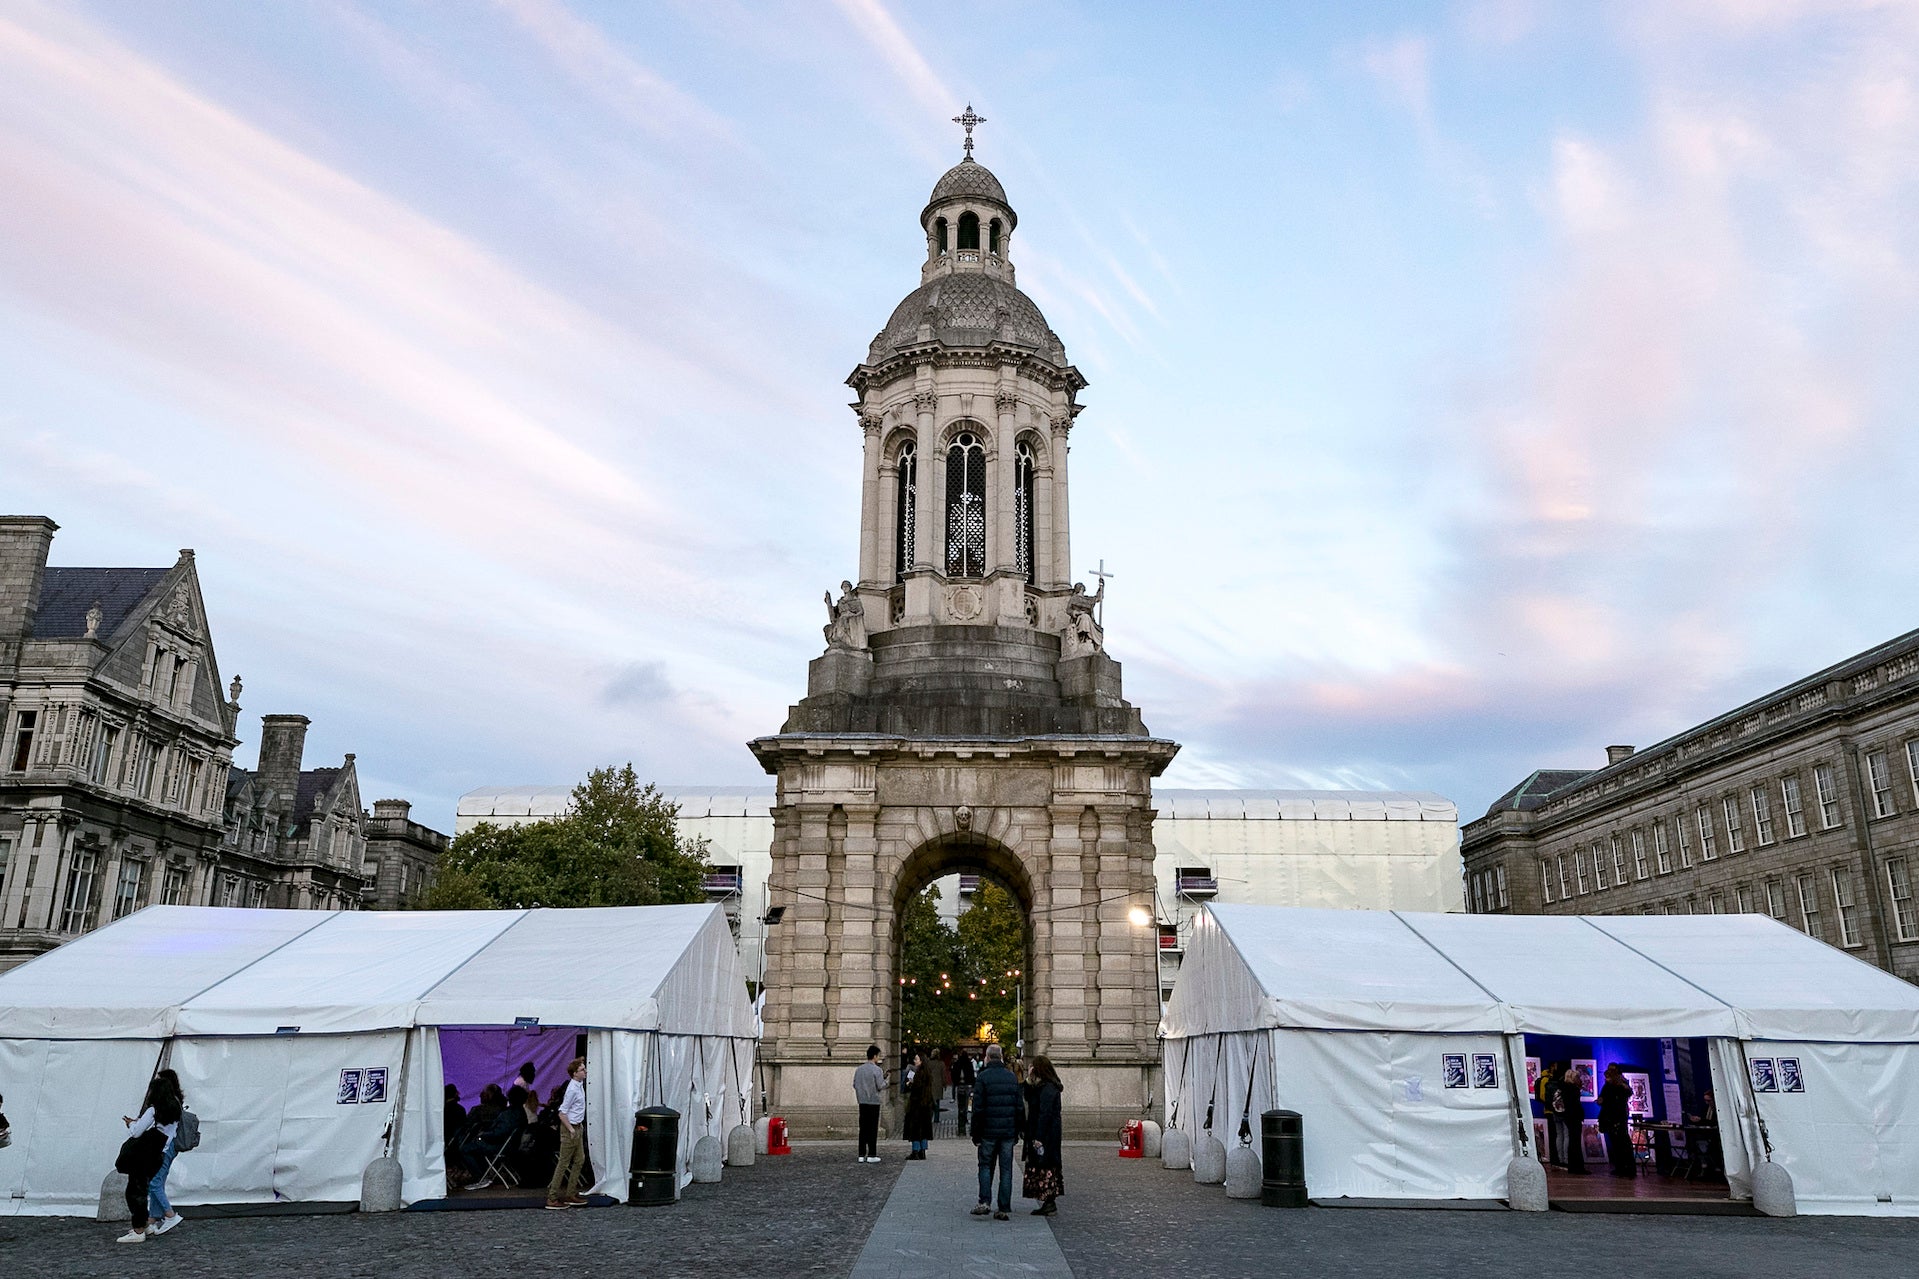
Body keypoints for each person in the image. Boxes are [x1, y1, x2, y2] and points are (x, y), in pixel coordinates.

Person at [116, 1074, 181, 1243]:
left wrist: (131, 1124)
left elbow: (137, 1132)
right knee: (143, 1189)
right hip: (158, 1155)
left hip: (144, 1155)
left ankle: (138, 1230)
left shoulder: (153, 1110)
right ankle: (145, 1224)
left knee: (135, 1192)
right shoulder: (175, 1109)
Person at [970, 1044, 1024, 1221]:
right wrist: (1020, 1130)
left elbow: (977, 1109)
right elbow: (1019, 1107)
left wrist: (975, 1134)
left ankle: (984, 1201)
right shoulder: (1011, 1077)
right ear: (1001, 1057)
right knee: (1006, 1169)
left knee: (985, 1166)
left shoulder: (983, 1078)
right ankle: (1004, 1206)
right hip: (1008, 1132)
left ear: (987, 1057)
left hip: (987, 1132)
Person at [462, 1085, 528, 1189]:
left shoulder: (508, 1115)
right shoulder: (521, 1113)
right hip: (511, 1146)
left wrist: (483, 1135)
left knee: (466, 1149)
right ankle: (485, 1174)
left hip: (501, 1146)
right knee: (476, 1147)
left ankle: (480, 1177)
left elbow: (498, 1133)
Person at [147, 1069, 187, 1236]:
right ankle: (152, 1219)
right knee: (158, 1182)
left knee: (154, 1183)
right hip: (170, 1146)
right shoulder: (176, 1101)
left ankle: (170, 1215)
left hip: (165, 1146)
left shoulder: (169, 1103)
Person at [546, 1056, 589, 1210]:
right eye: (582, 1070)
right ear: (574, 1073)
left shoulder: (579, 1085)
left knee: (579, 1160)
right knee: (563, 1163)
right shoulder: (572, 1089)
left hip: (577, 1126)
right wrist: (570, 1129)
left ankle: (571, 1192)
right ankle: (552, 1197)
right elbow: (562, 1112)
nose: (585, 1072)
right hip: (570, 1128)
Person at [1024, 1056, 1064, 1216]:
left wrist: (1039, 1137)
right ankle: (1048, 1201)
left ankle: (1050, 1202)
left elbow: (1044, 1113)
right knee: (1043, 1165)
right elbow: (1028, 1097)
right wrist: (1028, 1080)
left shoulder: (1048, 1088)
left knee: (1046, 1165)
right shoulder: (1042, 1086)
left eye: (1032, 1066)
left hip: (1046, 1134)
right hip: (1044, 1131)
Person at [1596, 1064, 1636, 1176]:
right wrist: (1601, 1101)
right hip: (1611, 1116)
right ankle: (1620, 1167)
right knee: (1616, 1143)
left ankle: (1628, 1167)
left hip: (1618, 1116)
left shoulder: (1621, 1085)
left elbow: (1626, 1095)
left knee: (1622, 1142)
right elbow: (1604, 1098)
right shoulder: (1608, 1086)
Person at [1552, 1062, 1588, 1175]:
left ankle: (1566, 1161)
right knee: (1573, 1140)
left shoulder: (1562, 1087)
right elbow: (1575, 1105)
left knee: (1562, 1136)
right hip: (1573, 1117)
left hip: (1563, 1116)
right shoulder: (1573, 1090)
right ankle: (1576, 1166)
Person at [854, 1045, 886, 1164]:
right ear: (874, 1056)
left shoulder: (859, 1069)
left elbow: (854, 1084)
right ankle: (872, 1153)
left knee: (863, 1129)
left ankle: (861, 1154)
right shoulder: (877, 1070)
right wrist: (886, 1080)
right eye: (878, 1056)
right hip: (873, 1101)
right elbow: (880, 1085)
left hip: (862, 1102)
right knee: (872, 1129)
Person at [903, 1052, 935, 1159]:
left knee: (915, 1129)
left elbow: (914, 1089)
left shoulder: (917, 1074)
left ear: (921, 1061)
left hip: (916, 1106)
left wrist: (909, 1083)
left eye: (916, 1059)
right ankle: (923, 1151)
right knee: (924, 1129)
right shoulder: (927, 1074)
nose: (914, 1061)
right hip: (926, 1106)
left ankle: (915, 1151)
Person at [1535, 1062, 1563, 1166]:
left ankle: (1557, 1158)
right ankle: (1555, 1159)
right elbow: (1543, 1095)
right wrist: (1554, 1102)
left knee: (1556, 1135)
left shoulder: (1552, 1079)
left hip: (1554, 1110)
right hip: (1550, 1111)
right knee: (1554, 1135)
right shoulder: (1546, 1079)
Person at [953, 1049, 976, 1137]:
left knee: (961, 1107)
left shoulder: (957, 1064)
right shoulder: (969, 1063)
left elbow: (953, 1074)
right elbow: (972, 1075)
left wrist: (955, 1082)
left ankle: (961, 1129)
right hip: (969, 1086)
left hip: (960, 1086)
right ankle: (970, 1127)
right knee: (970, 1106)